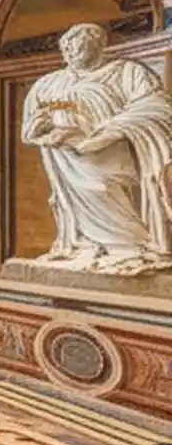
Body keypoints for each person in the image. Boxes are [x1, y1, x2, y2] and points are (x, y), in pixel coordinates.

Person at [22, 23, 172, 274]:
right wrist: (39, 128)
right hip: (67, 161)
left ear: (99, 45)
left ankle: (130, 245)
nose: (71, 52)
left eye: (79, 47)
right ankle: (88, 244)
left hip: (114, 153)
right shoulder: (49, 84)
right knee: (86, 191)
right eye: (67, 48)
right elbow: (33, 123)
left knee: (100, 185)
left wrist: (107, 133)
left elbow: (156, 107)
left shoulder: (127, 72)